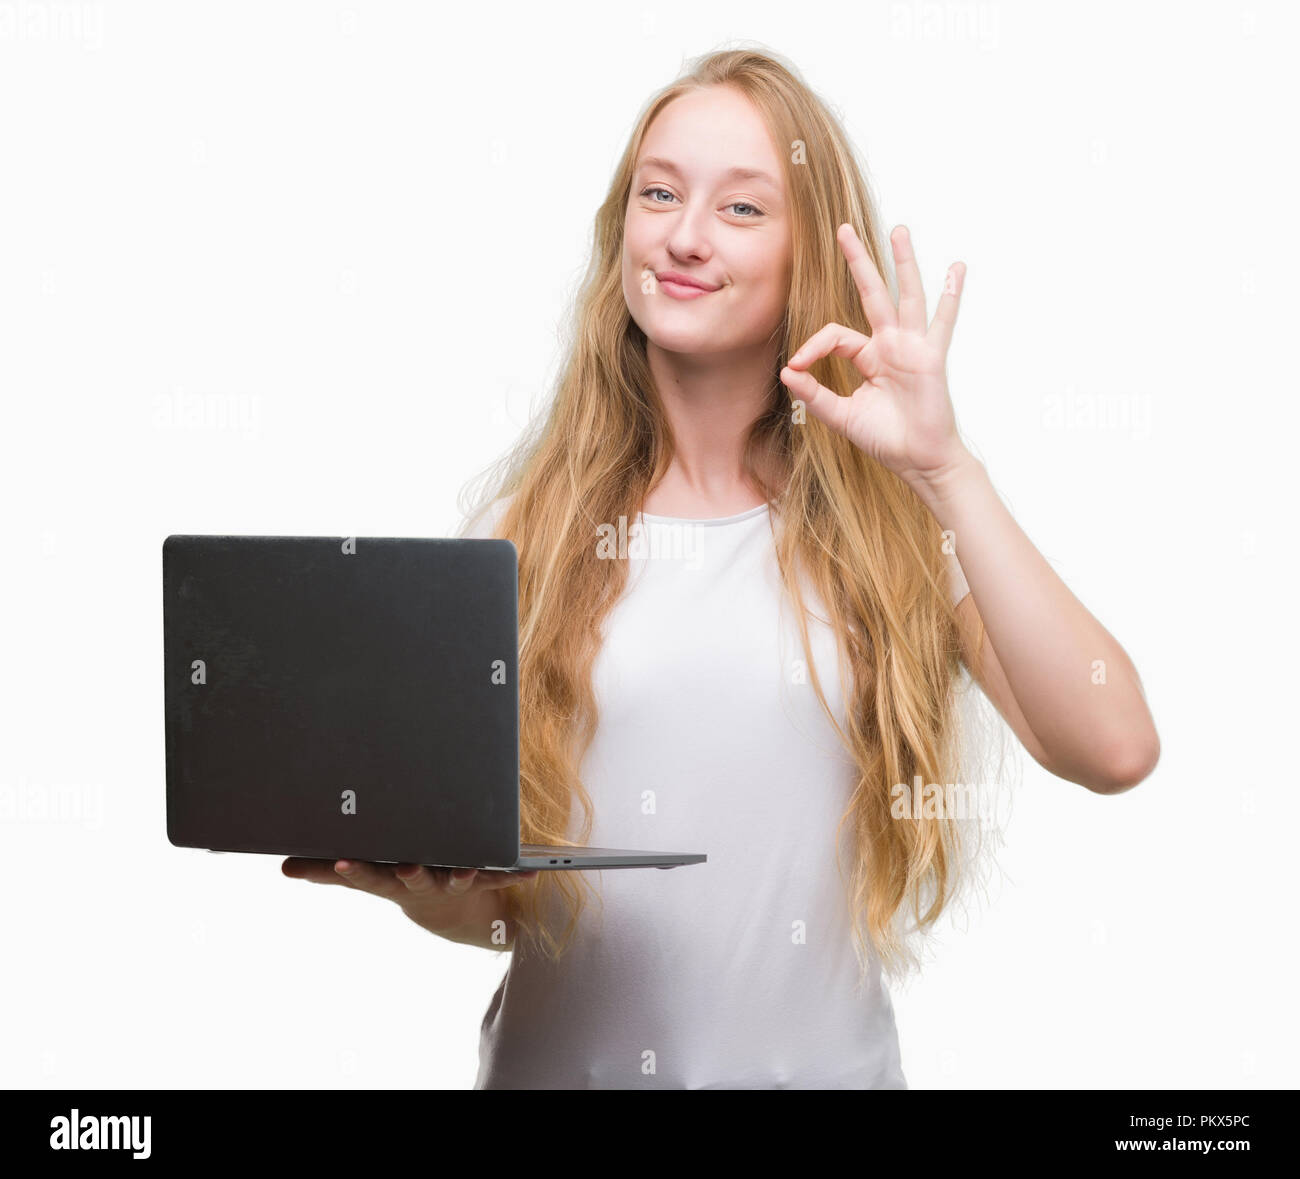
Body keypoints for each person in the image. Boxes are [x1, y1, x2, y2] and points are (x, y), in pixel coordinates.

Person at [283, 46, 1160, 1089]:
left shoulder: (895, 536)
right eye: (659, 194)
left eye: (741, 208)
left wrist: (945, 469)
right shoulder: (526, 536)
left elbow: (1113, 745)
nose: (686, 235)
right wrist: (435, 899)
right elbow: (506, 917)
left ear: (807, 255)